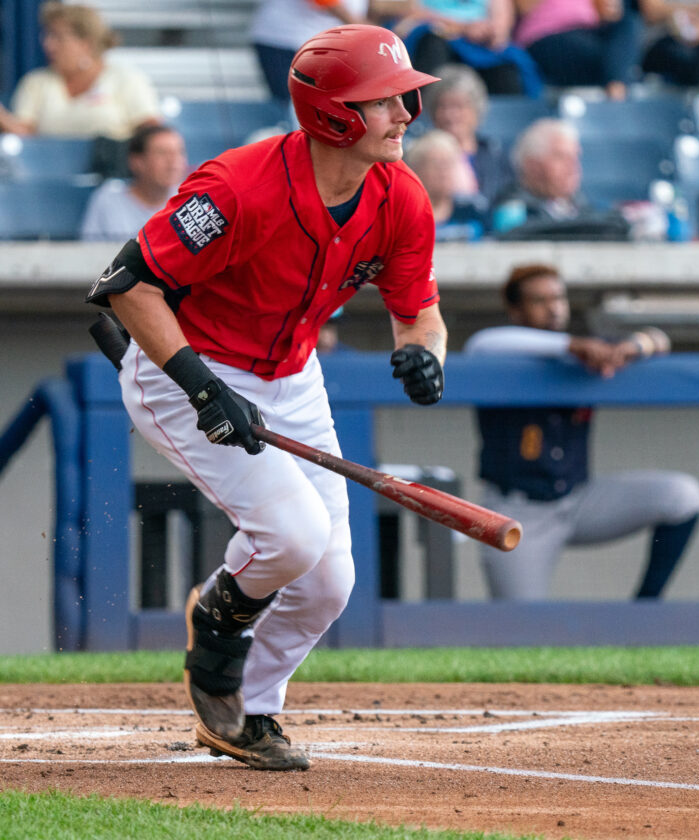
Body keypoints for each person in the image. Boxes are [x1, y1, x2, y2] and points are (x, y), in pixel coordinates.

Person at [86, 25, 446, 770]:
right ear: (334, 116)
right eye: (385, 101)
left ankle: (247, 712)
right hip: (184, 367)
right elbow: (127, 286)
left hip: (292, 376)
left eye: (405, 98)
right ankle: (218, 627)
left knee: (329, 583)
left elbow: (420, 311)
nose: (405, 114)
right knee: (292, 537)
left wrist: (424, 352)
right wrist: (203, 388)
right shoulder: (237, 187)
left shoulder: (401, 196)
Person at [463, 263, 699, 600]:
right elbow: (480, 344)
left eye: (558, 298)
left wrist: (632, 347)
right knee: (522, 627)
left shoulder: (589, 351)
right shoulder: (507, 353)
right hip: (518, 512)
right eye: (539, 300)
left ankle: (645, 608)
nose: (553, 308)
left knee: (683, 496)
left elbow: (658, 338)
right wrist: (572, 346)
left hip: (579, 500)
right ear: (516, 310)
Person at [0, 2, 160, 140]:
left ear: (86, 43)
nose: (48, 44)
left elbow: (152, 133)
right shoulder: (35, 83)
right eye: (46, 35)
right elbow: (24, 140)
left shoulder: (126, 79)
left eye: (57, 37)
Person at [491, 117, 631, 239]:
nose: (573, 166)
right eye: (561, 157)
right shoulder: (512, 210)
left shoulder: (585, 208)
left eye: (575, 157)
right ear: (532, 165)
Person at [393, 0, 543, 95]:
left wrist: (491, 32)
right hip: (439, 40)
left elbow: (501, 28)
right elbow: (411, 11)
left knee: (507, 67)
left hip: (481, 45)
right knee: (432, 44)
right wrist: (464, 28)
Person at [421, 63, 512, 206]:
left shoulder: (494, 153)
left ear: (476, 111)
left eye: (458, 106)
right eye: (442, 106)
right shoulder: (420, 156)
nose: (450, 115)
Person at [513, 0, 642, 100]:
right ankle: (618, 92)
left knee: (628, 22)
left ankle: (617, 87)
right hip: (544, 36)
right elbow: (524, 7)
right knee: (612, 59)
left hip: (588, 31)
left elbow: (608, 13)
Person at [80, 124, 187, 241]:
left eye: (179, 152)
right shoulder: (107, 200)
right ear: (137, 162)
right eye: (162, 153)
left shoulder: (189, 201)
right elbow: (89, 249)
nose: (173, 161)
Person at [405, 128, 490, 240]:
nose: (443, 171)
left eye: (449, 163)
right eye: (436, 164)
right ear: (417, 170)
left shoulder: (474, 210)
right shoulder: (404, 214)